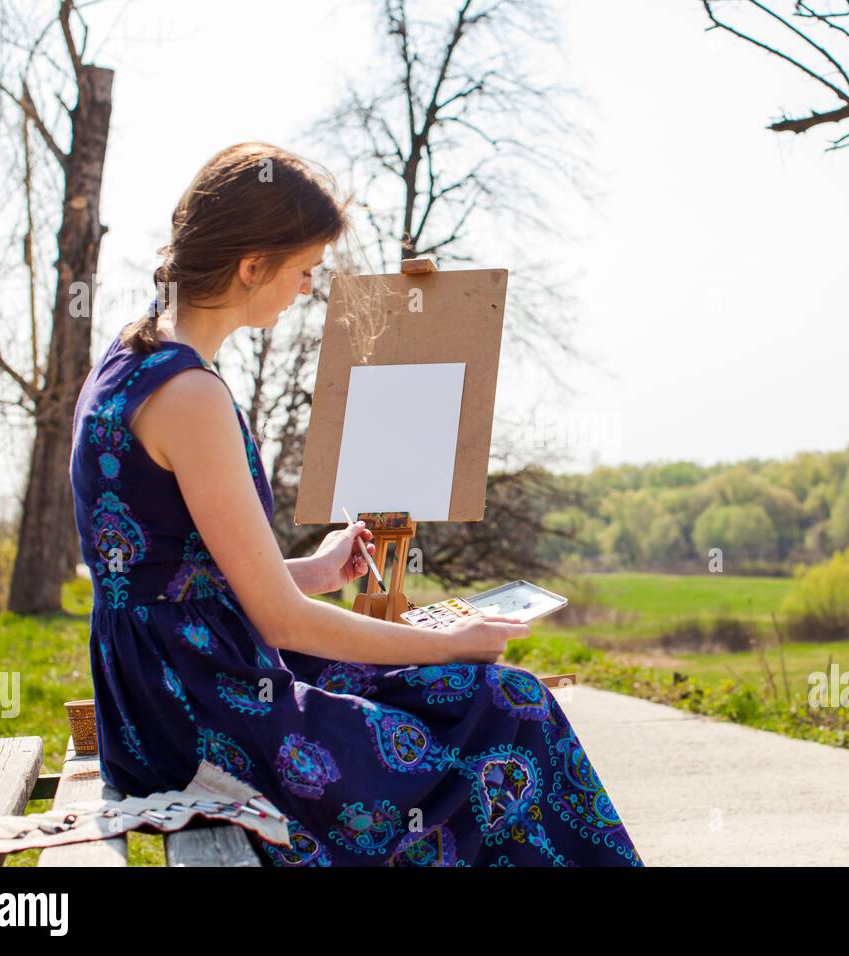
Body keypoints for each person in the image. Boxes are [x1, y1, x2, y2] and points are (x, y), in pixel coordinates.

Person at [69, 142, 644, 867]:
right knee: (510, 708)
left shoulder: (134, 355)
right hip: (199, 708)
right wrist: (450, 642)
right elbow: (277, 619)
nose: (308, 288)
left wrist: (311, 571)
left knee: (468, 698)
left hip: (170, 682)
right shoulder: (189, 394)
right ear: (252, 266)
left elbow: (176, 573)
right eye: (304, 269)